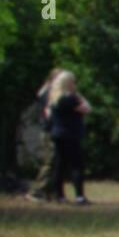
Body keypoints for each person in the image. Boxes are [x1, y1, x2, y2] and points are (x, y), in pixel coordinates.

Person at [47, 70, 90, 205]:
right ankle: (79, 196)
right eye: (73, 82)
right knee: (77, 165)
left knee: (60, 165)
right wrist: (79, 95)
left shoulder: (55, 99)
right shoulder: (70, 99)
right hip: (71, 135)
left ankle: (59, 195)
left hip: (58, 134)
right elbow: (87, 108)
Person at [26, 68, 62, 202]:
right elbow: (49, 113)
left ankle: (48, 192)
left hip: (49, 130)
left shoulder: (46, 90)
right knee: (49, 162)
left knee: (54, 162)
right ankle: (36, 191)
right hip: (48, 131)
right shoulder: (50, 93)